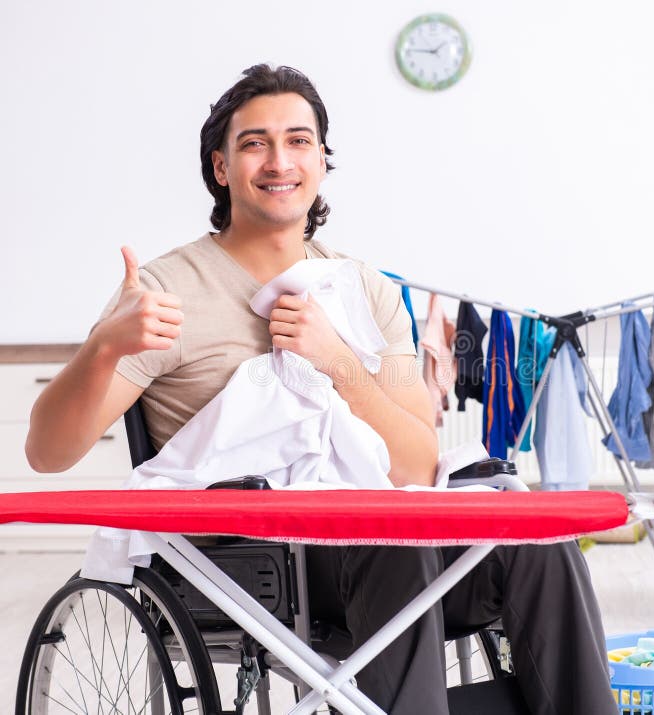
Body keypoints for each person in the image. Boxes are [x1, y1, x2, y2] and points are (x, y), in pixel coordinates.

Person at [26, 64, 618, 714]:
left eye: (299, 140)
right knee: (392, 544)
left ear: (322, 161)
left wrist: (338, 362)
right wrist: (105, 346)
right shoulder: (168, 288)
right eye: (254, 142)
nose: (279, 159)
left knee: (538, 548)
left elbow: (418, 465)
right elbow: (48, 452)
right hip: (243, 567)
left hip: (376, 546)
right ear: (220, 168)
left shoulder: (363, 289)